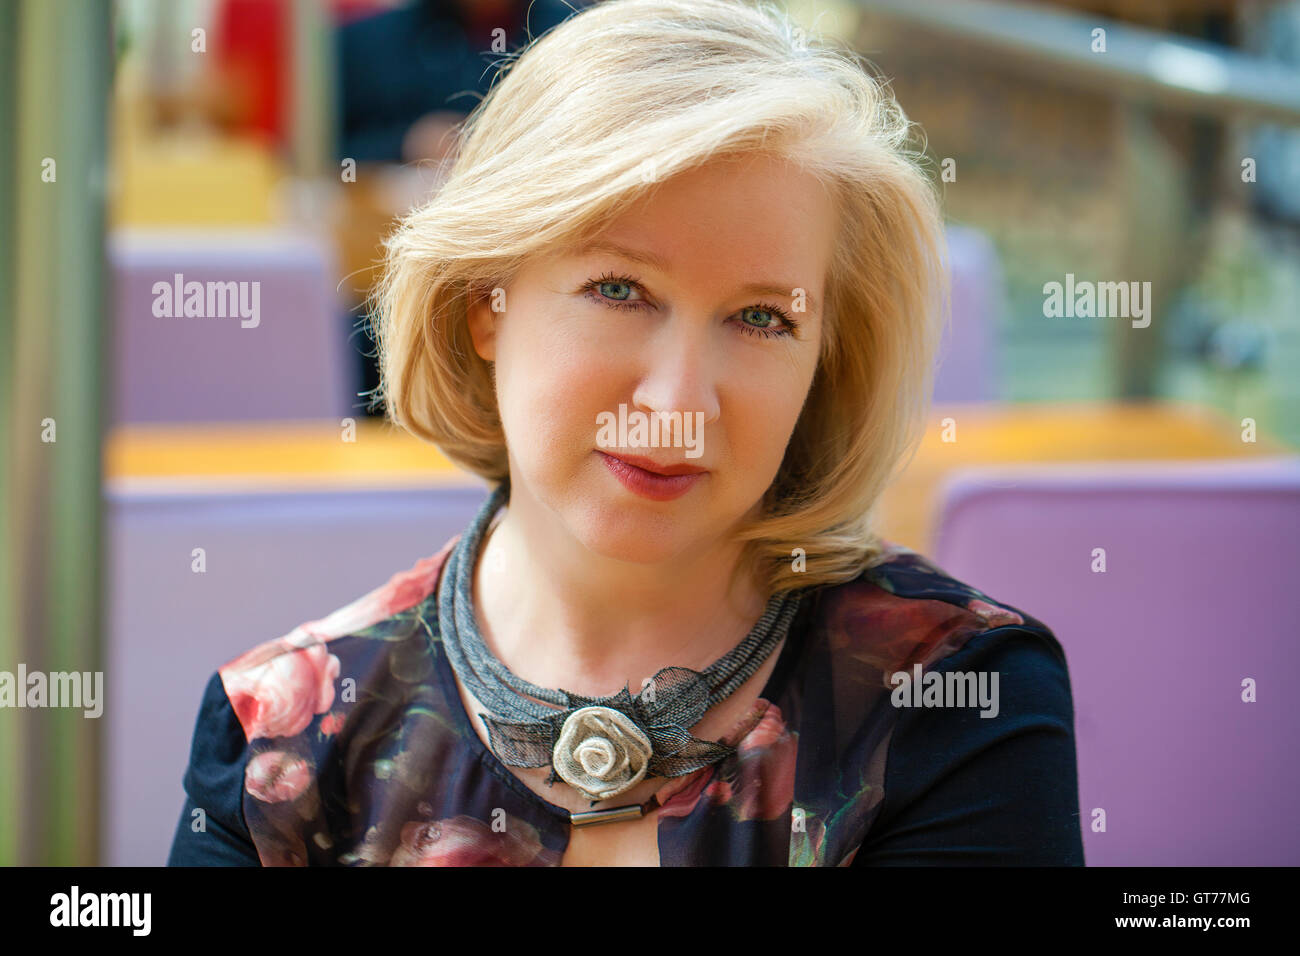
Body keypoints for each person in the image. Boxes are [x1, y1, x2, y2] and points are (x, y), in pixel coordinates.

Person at [167, 0, 1085, 867]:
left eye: (763, 318)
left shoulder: (956, 700)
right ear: (484, 305)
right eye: (619, 290)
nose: (679, 399)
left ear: (825, 363)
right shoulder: (275, 737)